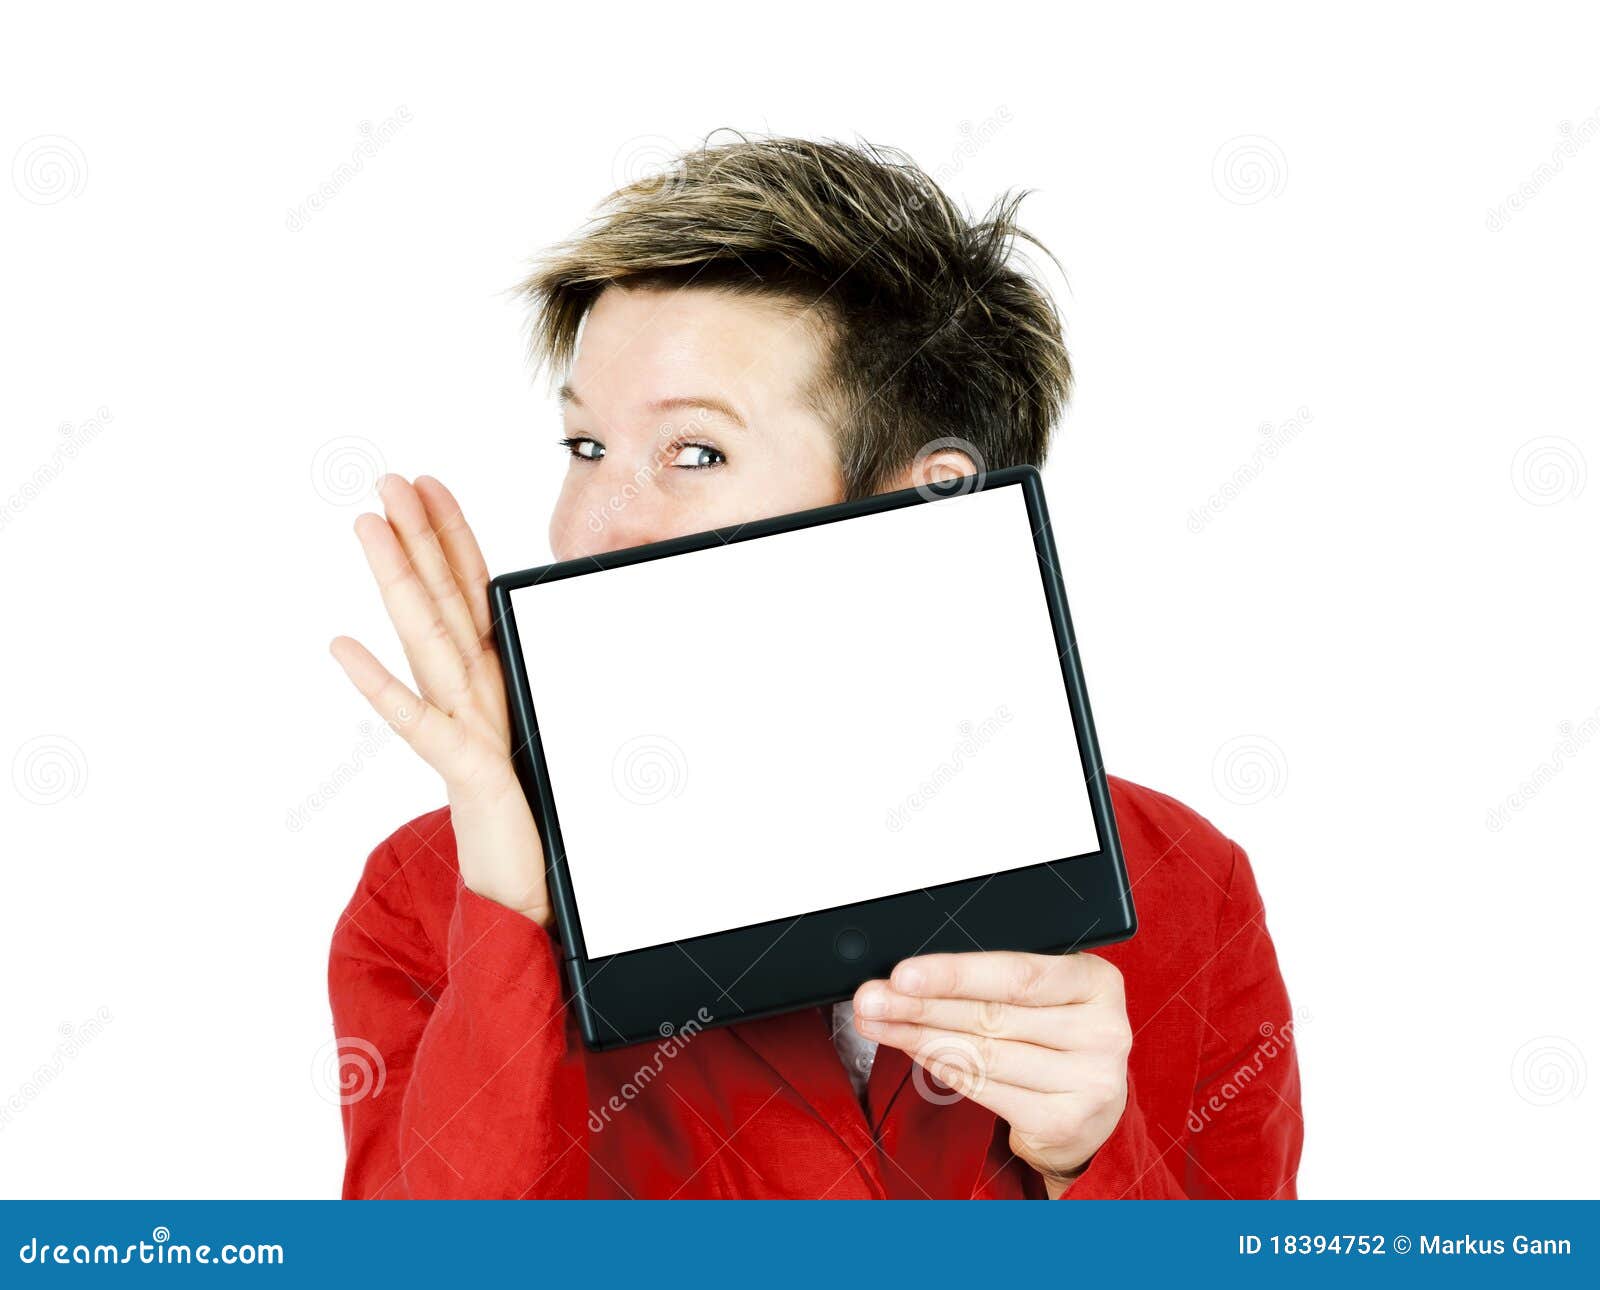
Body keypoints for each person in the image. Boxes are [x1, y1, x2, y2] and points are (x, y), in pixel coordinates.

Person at [327, 136, 1301, 1199]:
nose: (585, 528)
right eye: (585, 448)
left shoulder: (1188, 890)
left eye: (694, 453)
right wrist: (512, 924)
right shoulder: (431, 897)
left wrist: (1086, 1165)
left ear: (924, 505)